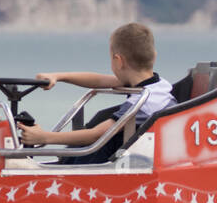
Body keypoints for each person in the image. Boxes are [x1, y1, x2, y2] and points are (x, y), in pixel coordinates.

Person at [18, 22, 175, 164]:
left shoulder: (143, 103)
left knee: (89, 143)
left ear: (118, 61)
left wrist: (44, 137)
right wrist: (58, 76)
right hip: (136, 153)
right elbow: (99, 81)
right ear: (154, 55)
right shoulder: (157, 85)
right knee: (79, 147)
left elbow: (97, 134)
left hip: (127, 160)